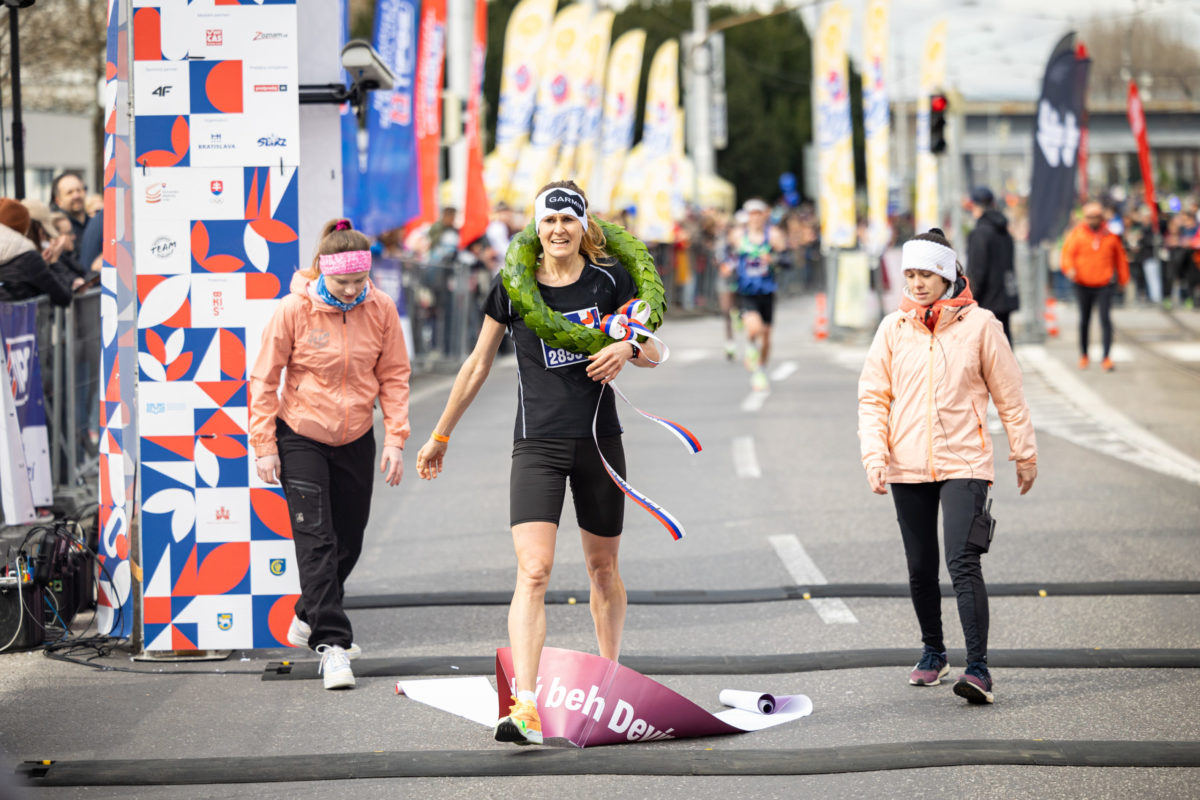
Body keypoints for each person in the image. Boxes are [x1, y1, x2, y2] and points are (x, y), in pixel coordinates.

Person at [415, 180, 660, 746]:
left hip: (600, 442)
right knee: (534, 570)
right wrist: (440, 434)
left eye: (568, 221)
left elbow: (650, 352)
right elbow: (477, 364)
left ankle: (609, 677)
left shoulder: (610, 281)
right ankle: (524, 702)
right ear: (536, 228)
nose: (558, 231)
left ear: (582, 226)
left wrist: (628, 346)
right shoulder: (514, 287)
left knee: (603, 569)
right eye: (548, 222)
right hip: (539, 445)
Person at [858, 227, 1038, 706]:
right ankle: (933, 653)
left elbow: (1010, 394)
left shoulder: (982, 326)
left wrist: (1024, 452)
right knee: (920, 567)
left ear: (947, 274)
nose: (917, 283)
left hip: (966, 460)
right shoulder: (893, 328)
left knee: (962, 562)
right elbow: (873, 398)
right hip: (906, 462)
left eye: (926, 274)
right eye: (910, 274)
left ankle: (978, 669)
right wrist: (875, 456)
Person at [249, 218, 411, 691]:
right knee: (315, 539)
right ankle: (334, 647)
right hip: (300, 433)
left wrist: (397, 438)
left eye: (359, 281)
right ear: (322, 271)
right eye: (342, 282)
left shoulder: (380, 309)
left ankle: (308, 612)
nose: (351, 291)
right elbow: (263, 379)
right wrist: (264, 445)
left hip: (357, 434)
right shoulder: (293, 310)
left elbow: (395, 376)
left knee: (350, 538)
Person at [723, 198, 786, 391]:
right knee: (754, 329)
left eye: (759, 214)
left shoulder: (773, 235)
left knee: (766, 337)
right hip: (747, 289)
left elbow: (788, 259)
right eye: (752, 214)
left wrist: (773, 259)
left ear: (764, 215)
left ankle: (760, 370)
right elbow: (727, 253)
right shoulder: (738, 235)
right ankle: (750, 345)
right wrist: (728, 264)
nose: (755, 218)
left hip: (767, 290)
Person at [1061, 201, 1130, 371]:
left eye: (1095, 217)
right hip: (1083, 283)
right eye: (1089, 217)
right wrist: (1069, 269)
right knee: (1084, 320)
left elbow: (1120, 258)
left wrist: (1123, 279)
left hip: (1104, 284)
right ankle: (1084, 355)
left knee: (1105, 320)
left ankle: (1106, 357)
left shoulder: (1110, 236)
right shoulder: (1076, 235)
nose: (1092, 220)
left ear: (1101, 218)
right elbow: (1067, 255)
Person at [965, 187, 1019, 343]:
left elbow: (977, 270)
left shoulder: (980, 233)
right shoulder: (1004, 231)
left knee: (988, 346)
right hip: (1005, 296)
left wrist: (971, 298)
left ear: (976, 206)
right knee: (1005, 341)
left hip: (986, 299)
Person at [0, 198, 75, 306]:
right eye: (44, 232)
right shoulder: (27, 257)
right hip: (21, 321)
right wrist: (54, 262)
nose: (45, 237)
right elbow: (64, 297)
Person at [49, 171, 88, 240]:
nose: (76, 196)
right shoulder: (56, 229)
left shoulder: (96, 224)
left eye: (79, 190)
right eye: (69, 192)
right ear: (58, 201)